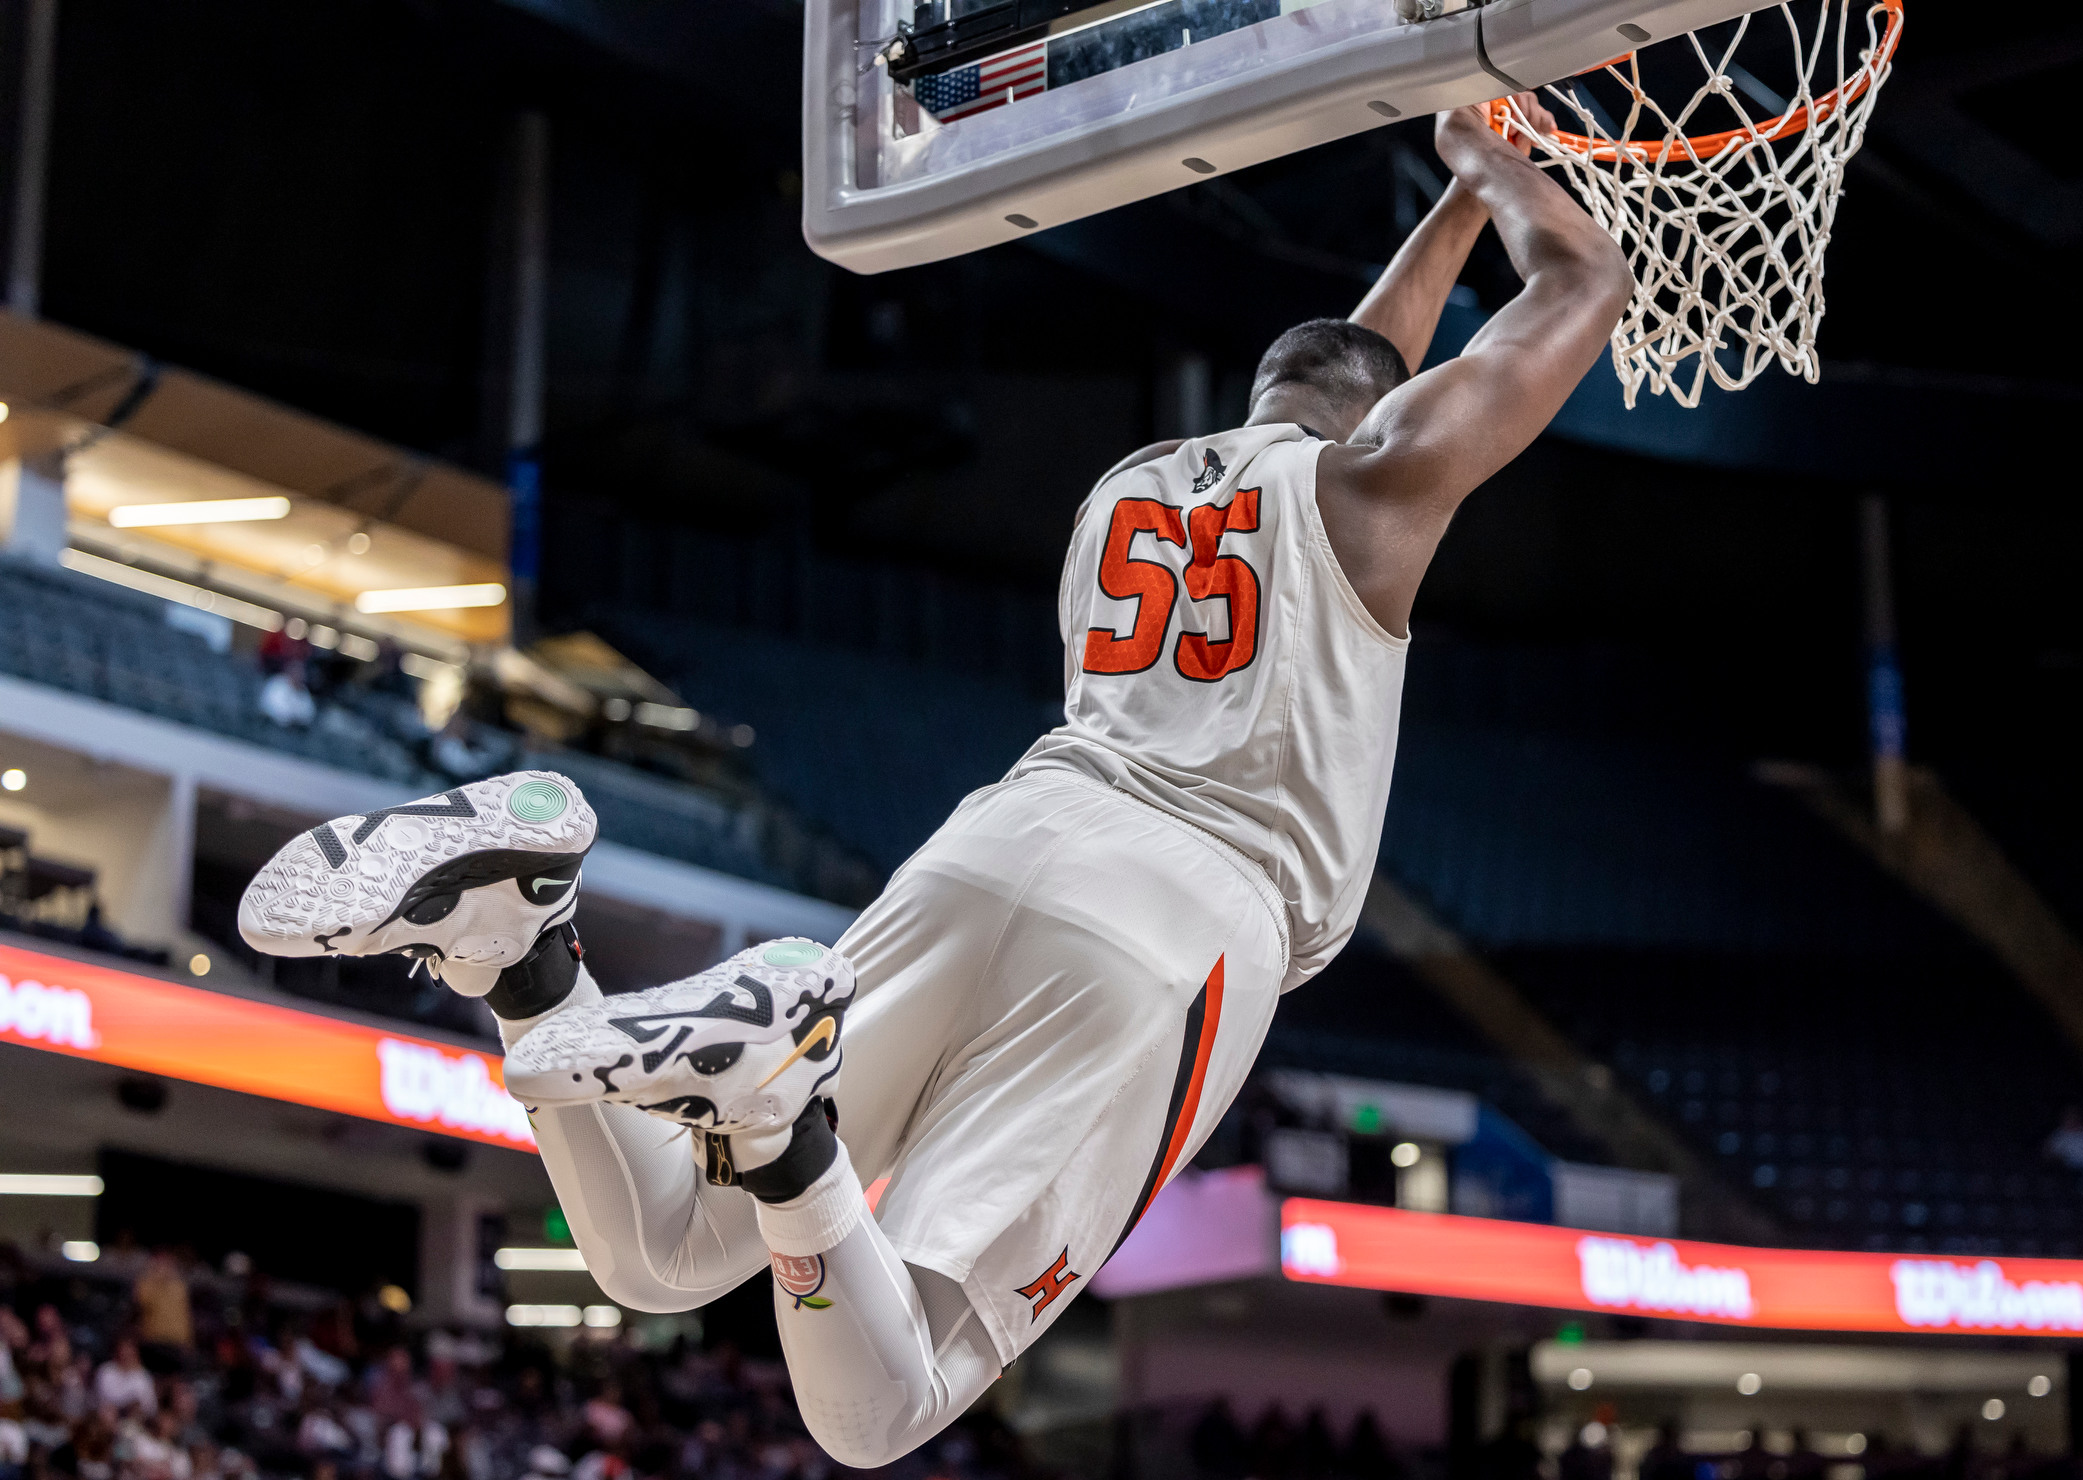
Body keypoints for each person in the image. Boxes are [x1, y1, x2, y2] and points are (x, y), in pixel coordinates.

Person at [233, 96, 1629, 1471]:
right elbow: (1585, 280)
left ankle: (519, 952)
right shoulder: (1370, 487)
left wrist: (1456, 203)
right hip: (1185, 919)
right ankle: (776, 1118)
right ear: (1372, 411)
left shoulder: (1134, 485)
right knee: (876, 1412)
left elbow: (1351, 360)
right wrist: (1478, 155)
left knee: (661, 1256)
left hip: (1002, 842)